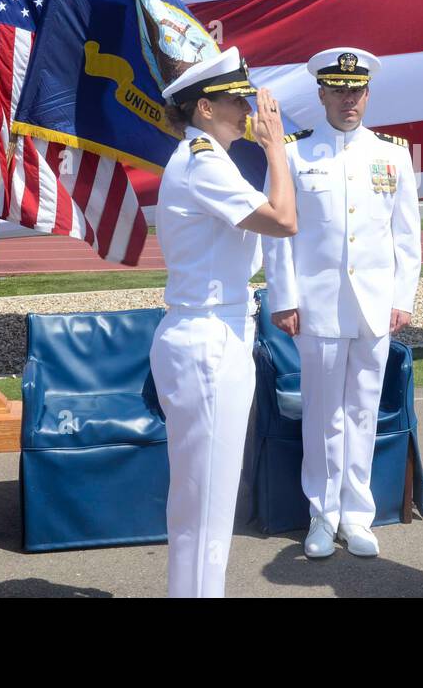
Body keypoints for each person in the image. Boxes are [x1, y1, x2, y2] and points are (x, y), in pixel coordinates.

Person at [263, 47, 422, 559]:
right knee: (322, 413)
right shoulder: (294, 154)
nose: (348, 99)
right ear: (322, 94)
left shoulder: (393, 155)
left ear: (368, 93)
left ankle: (357, 516)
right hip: (317, 305)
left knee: (363, 412)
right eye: (338, 89)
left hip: (374, 307)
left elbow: (407, 236)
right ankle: (321, 514)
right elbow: (278, 235)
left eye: (356, 90)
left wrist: (403, 298)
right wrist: (284, 297)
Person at [152, 47, 297, 598]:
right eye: (236, 100)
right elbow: (283, 220)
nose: (246, 110)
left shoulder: (204, 159)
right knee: (206, 502)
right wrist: (276, 150)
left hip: (212, 333)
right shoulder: (205, 163)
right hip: (208, 340)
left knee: (203, 498)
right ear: (205, 108)